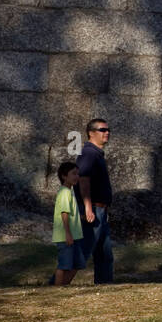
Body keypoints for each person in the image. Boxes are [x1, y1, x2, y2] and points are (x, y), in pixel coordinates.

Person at [77, 117, 115, 283]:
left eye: (108, 130)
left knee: (104, 254)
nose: (107, 133)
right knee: (82, 252)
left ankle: (105, 286)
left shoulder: (96, 154)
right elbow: (83, 180)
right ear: (91, 133)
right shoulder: (89, 153)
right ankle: (56, 284)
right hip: (93, 210)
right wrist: (88, 207)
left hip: (101, 210)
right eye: (102, 130)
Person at [52, 161, 85, 286]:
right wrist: (67, 233)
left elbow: (71, 213)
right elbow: (64, 213)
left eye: (78, 174)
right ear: (64, 176)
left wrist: (82, 217)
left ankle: (64, 286)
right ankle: (57, 289)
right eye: (73, 174)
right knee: (64, 265)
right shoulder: (64, 192)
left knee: (77, 264)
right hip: (66, 236)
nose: (77, 176)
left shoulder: (70, 192)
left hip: (75, 236)